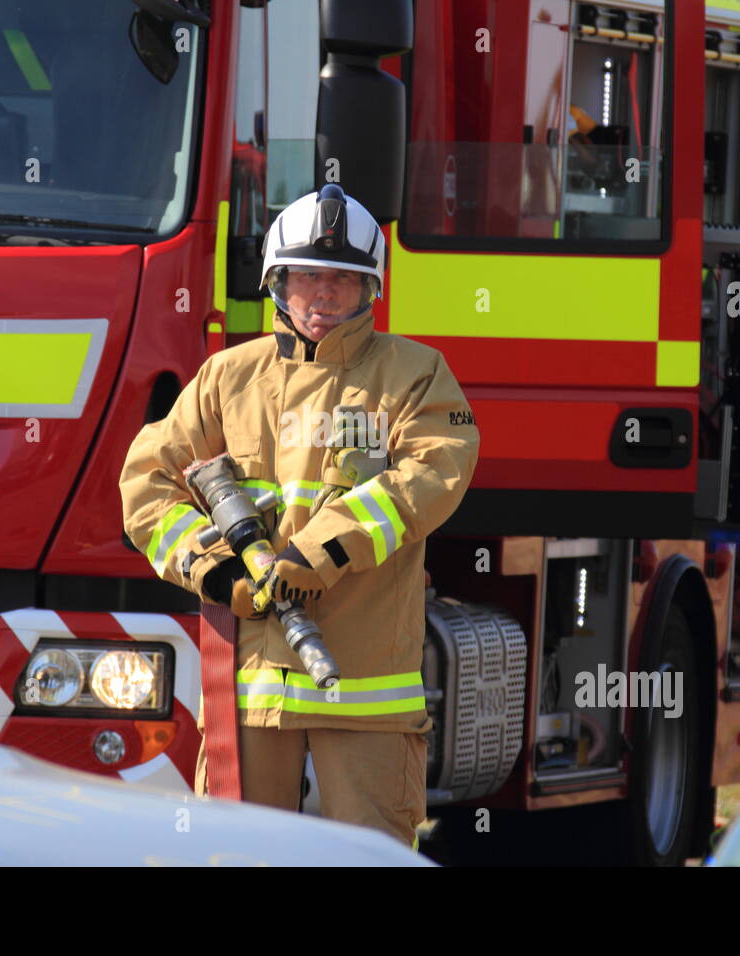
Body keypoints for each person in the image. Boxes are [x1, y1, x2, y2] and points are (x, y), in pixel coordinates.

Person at [119, 184, 480, 848]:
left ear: (370, 289)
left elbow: (434, 472)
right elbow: (147, 482)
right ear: (276, 283)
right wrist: (212, 567)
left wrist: (322, 554)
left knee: (370, 860)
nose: (323, 294)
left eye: (343, 278)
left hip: (366, 689)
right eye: (308, 275)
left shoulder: (417, 375)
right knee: (239, 856)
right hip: (252, 691)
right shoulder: (227, 377)